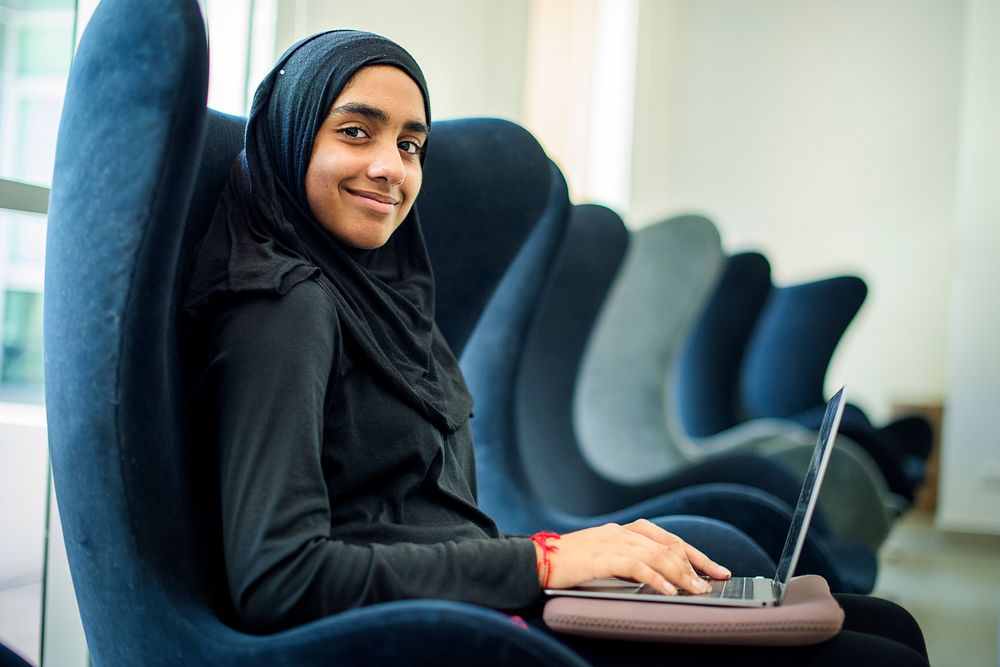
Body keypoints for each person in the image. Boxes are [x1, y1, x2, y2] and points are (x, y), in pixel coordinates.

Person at [181, 30, 929, 666]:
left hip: (480, 608)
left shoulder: (382, 295)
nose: (391, 166)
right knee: (880, 649)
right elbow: (279, 575)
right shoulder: (283, 311)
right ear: (288, 136)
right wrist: (547, 560)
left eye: (411, 145)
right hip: (430, 635)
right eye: (356, 131)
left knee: (879, 625)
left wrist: (574, 559)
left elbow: (429, 523)